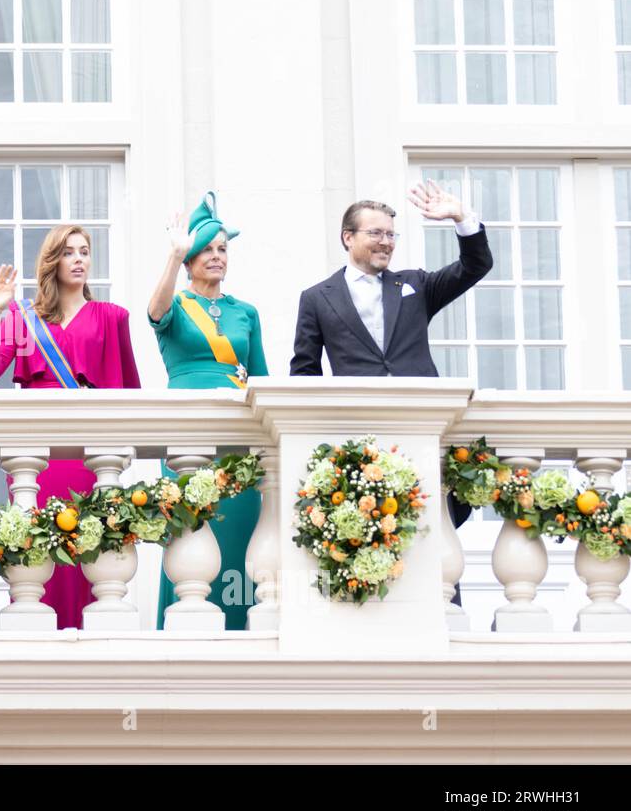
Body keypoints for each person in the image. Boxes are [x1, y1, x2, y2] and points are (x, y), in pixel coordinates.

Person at [0, 225, 140, 630]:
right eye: (69, 253)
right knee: (40, 547)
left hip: (89, 450)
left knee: (90, 548)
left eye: (85, 252)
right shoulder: (24, 318)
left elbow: (129, 389)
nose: (80, 259)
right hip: (39, 448)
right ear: (53, 261)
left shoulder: (112, 317)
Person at [147, 193, 267, 630]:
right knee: (191, 533)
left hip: (237, 438)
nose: (216, 257)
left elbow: (262, 381)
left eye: (222, 249)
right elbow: (154, 313)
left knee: (239, 534)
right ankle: (185, 630)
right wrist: (172, 254)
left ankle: (240, 631)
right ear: (190, 259)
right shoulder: (177, 305)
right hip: (188, 433)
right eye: (206, 250)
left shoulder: (245, 312)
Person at [289, 181, 492, 378]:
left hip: (420, 407)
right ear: (348, 238)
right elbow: (305, 372)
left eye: (391, 234)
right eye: (375, 233)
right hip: (356, 409)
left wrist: (462, 218)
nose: (386, 242)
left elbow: (474, 266)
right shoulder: (316, 298)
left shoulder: (416, 285)